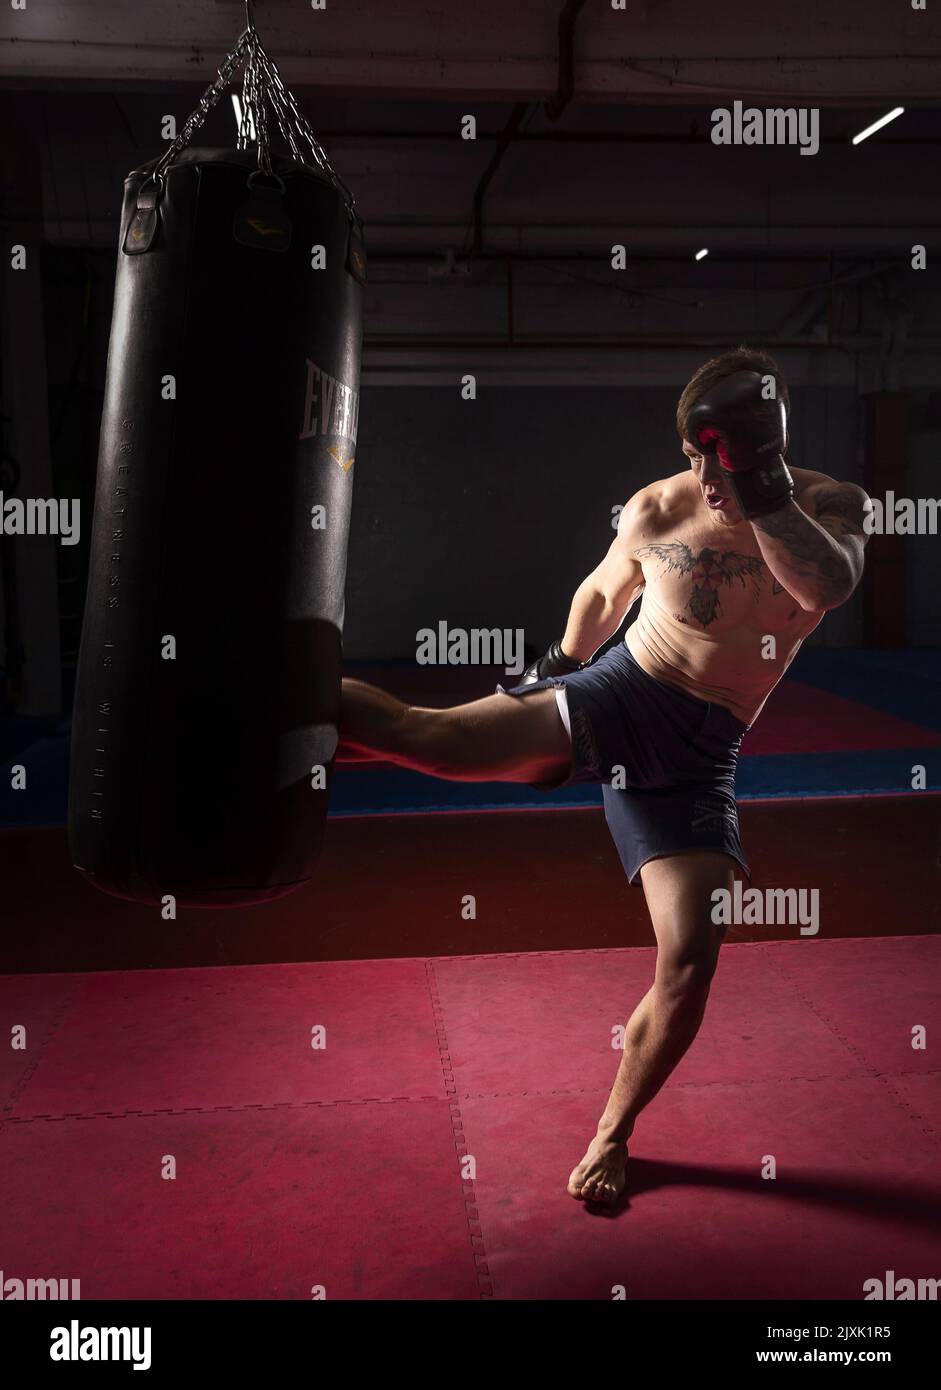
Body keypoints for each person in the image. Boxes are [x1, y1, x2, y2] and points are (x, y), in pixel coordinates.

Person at [339, 346, 870, 1205]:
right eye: (695, 458)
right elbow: (600, 594)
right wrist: (552, 667)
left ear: (763, 448)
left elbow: (830, 584)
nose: (703, 479)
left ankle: (611, 1137)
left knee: (691, 959)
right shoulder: (658, 507)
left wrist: (759, 486)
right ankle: (257, 705)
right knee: (424, 738)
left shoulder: (829, 507)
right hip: (620, 696)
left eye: (718, 457)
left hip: (701, 760)